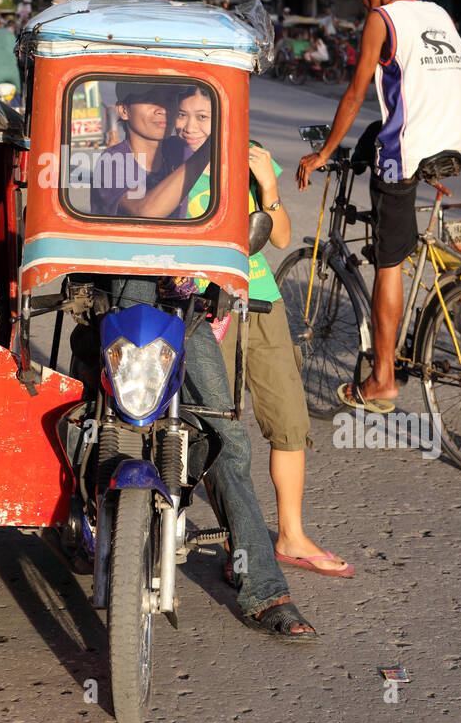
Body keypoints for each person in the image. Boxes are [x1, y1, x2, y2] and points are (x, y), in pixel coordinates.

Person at [171, 92, 352, 578]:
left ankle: (291, 534)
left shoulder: (246, 157)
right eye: (183, 115)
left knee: (289, 419)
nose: (191, 125)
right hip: (205, 311)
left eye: (203, 115)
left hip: (262, 301)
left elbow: (281, 238)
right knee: (218, 428)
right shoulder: (166, 161)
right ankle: (241, 542)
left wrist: (269, 185)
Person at [296, 0, 461, 412]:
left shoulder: (381, 20)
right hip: (458, 137)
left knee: (389, 262)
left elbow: (356, 93)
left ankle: (382, 380)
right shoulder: (438, 12)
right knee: (397, 223)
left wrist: (324, 152)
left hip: (413, 146)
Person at [111, 273, 318, 641]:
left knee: (228, 440)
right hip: (117, 287)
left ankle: (263, 587)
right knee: (98, 412)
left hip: (182, 303)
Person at [89, 82, 200, 218]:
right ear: (124, 110)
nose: (163, 109)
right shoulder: (111, 162)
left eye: (170, 99)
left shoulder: (179, 149)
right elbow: (146, 212)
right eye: (150, 99)